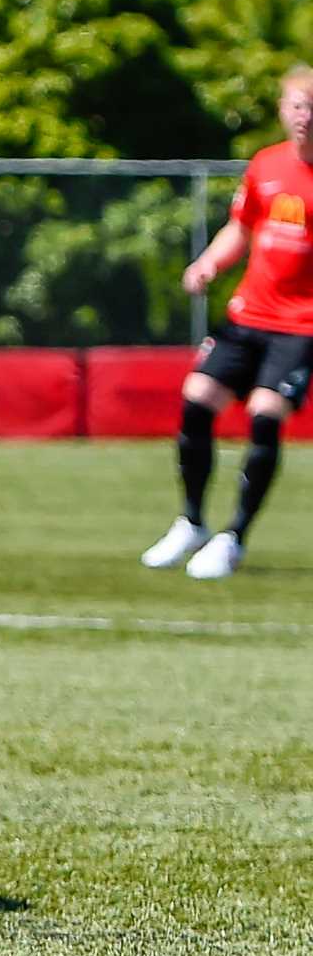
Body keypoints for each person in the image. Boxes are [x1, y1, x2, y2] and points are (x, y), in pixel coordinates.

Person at [141, 66, 313, 579]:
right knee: (196, 399)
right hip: (248, 314)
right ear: (283, 110)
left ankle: (232, 537)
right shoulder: (265, 165)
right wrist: (210, 264)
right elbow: (240, 228)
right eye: (298, 105)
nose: (306, 117)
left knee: (265, 413)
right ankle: (191, 520)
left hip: (301, 326)